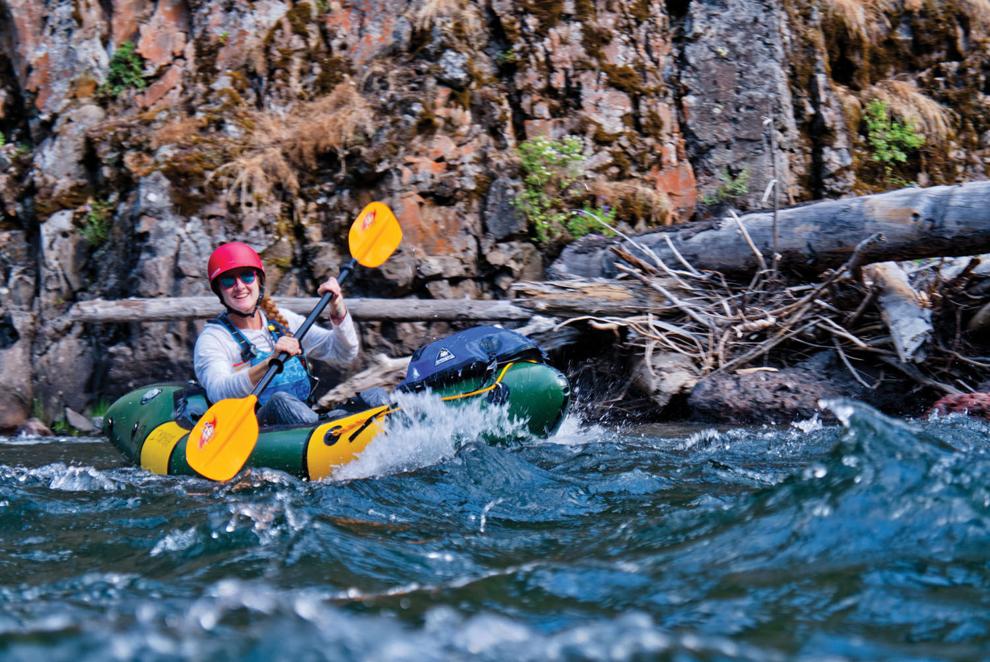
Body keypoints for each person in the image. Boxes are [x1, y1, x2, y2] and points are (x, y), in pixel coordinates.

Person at [193, 242, 359, 426]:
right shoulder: (213, 339)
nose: (239, 286)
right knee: (281, 402)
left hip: (305, 422)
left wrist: (337, 307)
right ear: (219, 290)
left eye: (247, 276)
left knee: (374, 397)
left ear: (259, 281)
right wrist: (270, 362)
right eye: (228, 281)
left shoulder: (283, 321)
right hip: (256, 429)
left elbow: (344, 353)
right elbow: (218, 392)